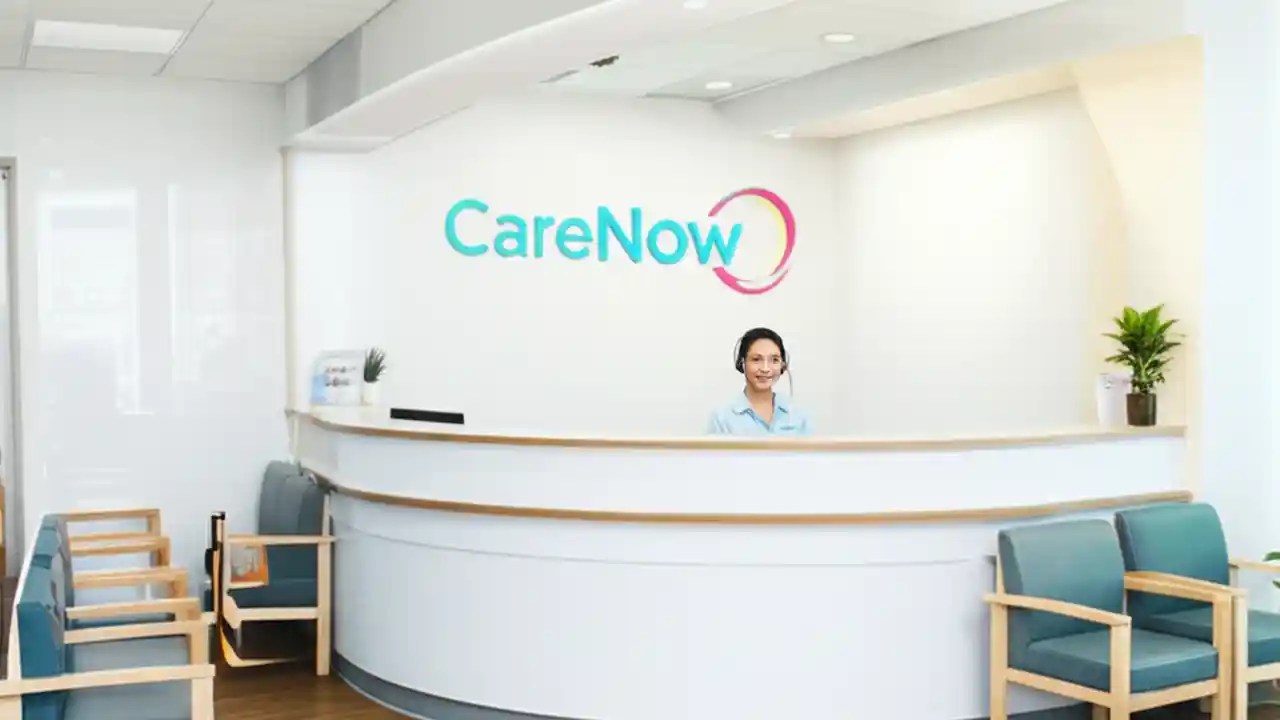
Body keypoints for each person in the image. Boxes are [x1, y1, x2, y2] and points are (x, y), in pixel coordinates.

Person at [707, 327, 811, 436]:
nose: (765, 369)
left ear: (782, 365)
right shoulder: (721, 419)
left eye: (774, 360)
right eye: (756, 359)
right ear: (742, 363)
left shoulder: (798, 415)